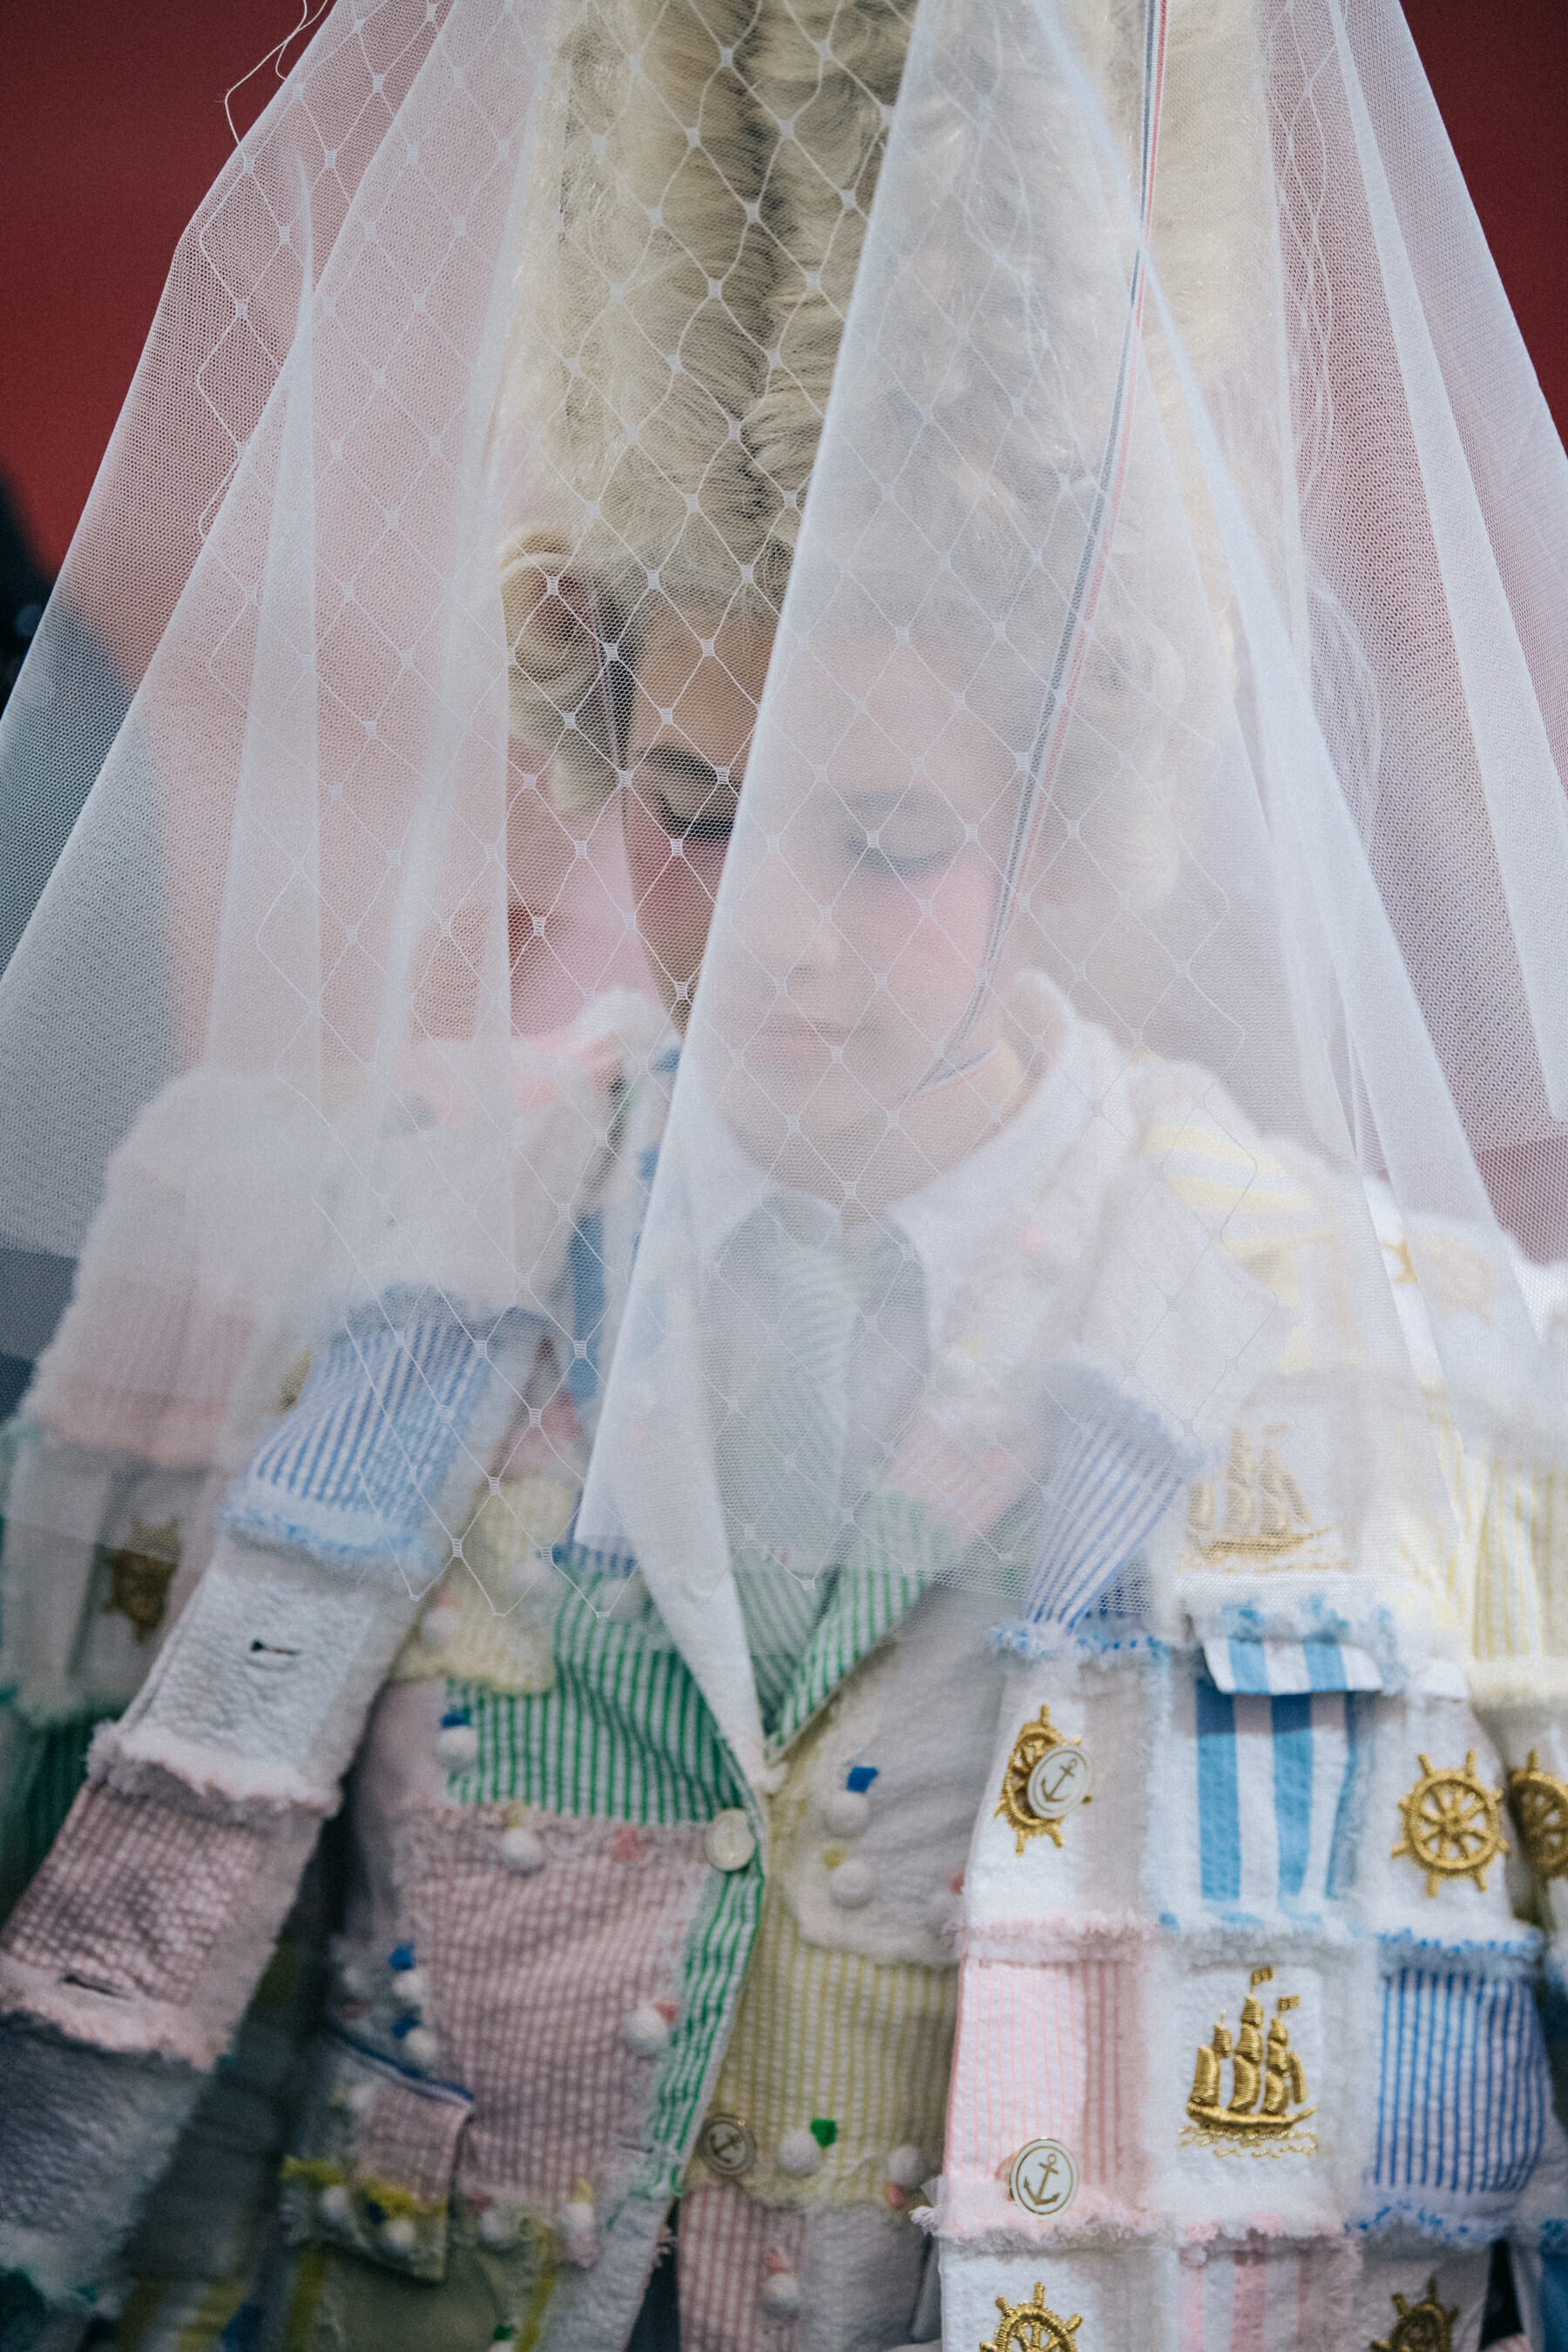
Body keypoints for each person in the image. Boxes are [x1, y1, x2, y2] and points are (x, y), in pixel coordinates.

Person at [1, 0, 1567, 2348]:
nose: (773, 947)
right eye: (697, 804)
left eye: (891, 833)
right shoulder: (285, 1248)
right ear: (585, 719)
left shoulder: (1425, 1382)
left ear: (1068, 797)